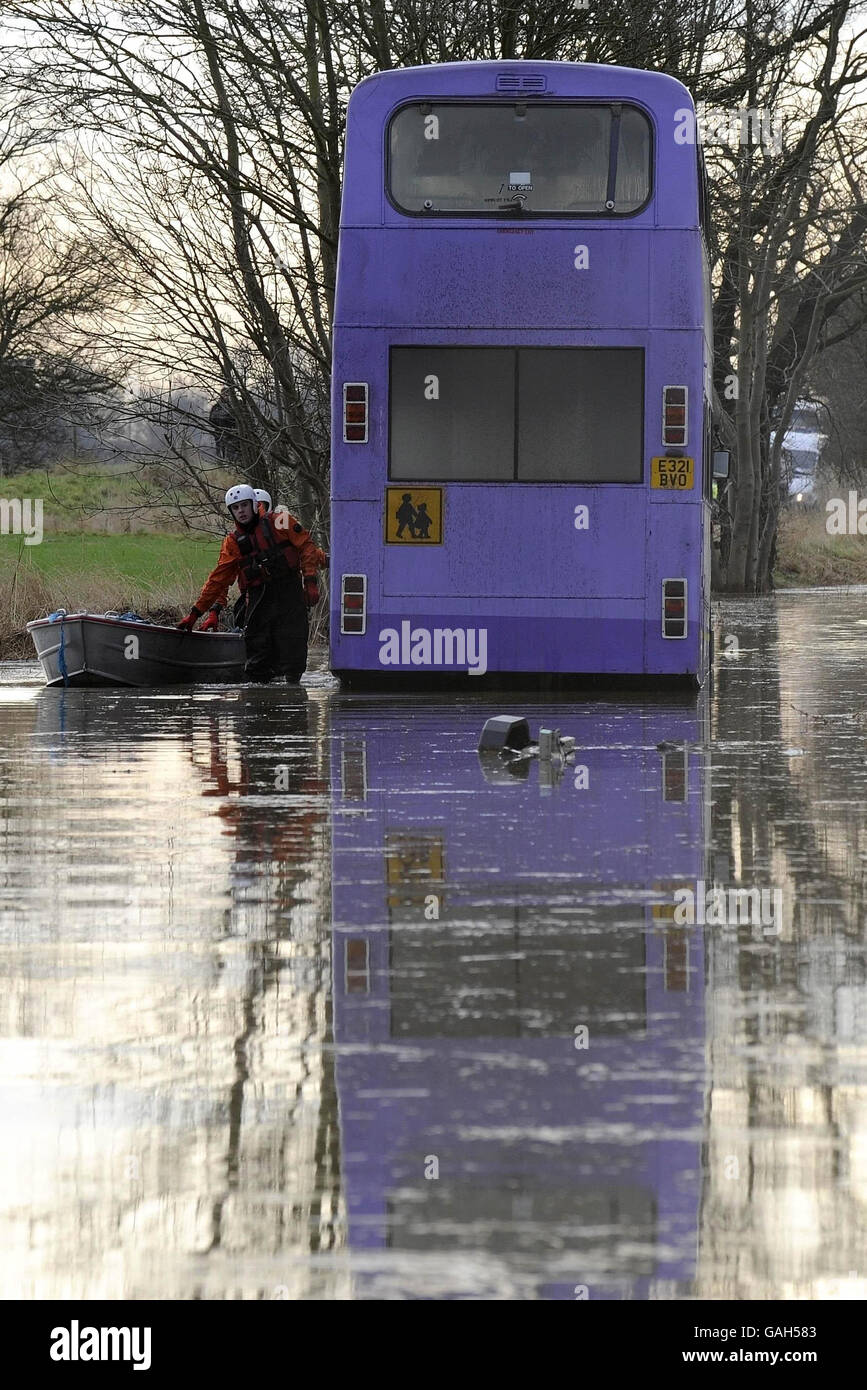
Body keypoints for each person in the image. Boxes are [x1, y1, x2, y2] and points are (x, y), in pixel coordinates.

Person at [176, 484, 325, 685]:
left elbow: (308, 548)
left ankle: (293, 695)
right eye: (236, 508)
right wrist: (197, 612)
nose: (241, 511)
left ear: (254, 505)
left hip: (289, 592)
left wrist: (310, 581)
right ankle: (257, 702)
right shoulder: (232, 543)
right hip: (258, 597)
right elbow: (219, 579)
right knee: (257, 656)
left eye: (244, 506)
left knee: (293, 651)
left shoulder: (280, 522)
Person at [209, 388, 239, 461]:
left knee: (233, 456)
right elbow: (211, 420)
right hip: (220, 435)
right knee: (220, 456)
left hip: (234, 436)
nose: (226, 396)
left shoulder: (236, 406)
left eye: (227, 394)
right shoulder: (216, 407)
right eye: (224, 394)